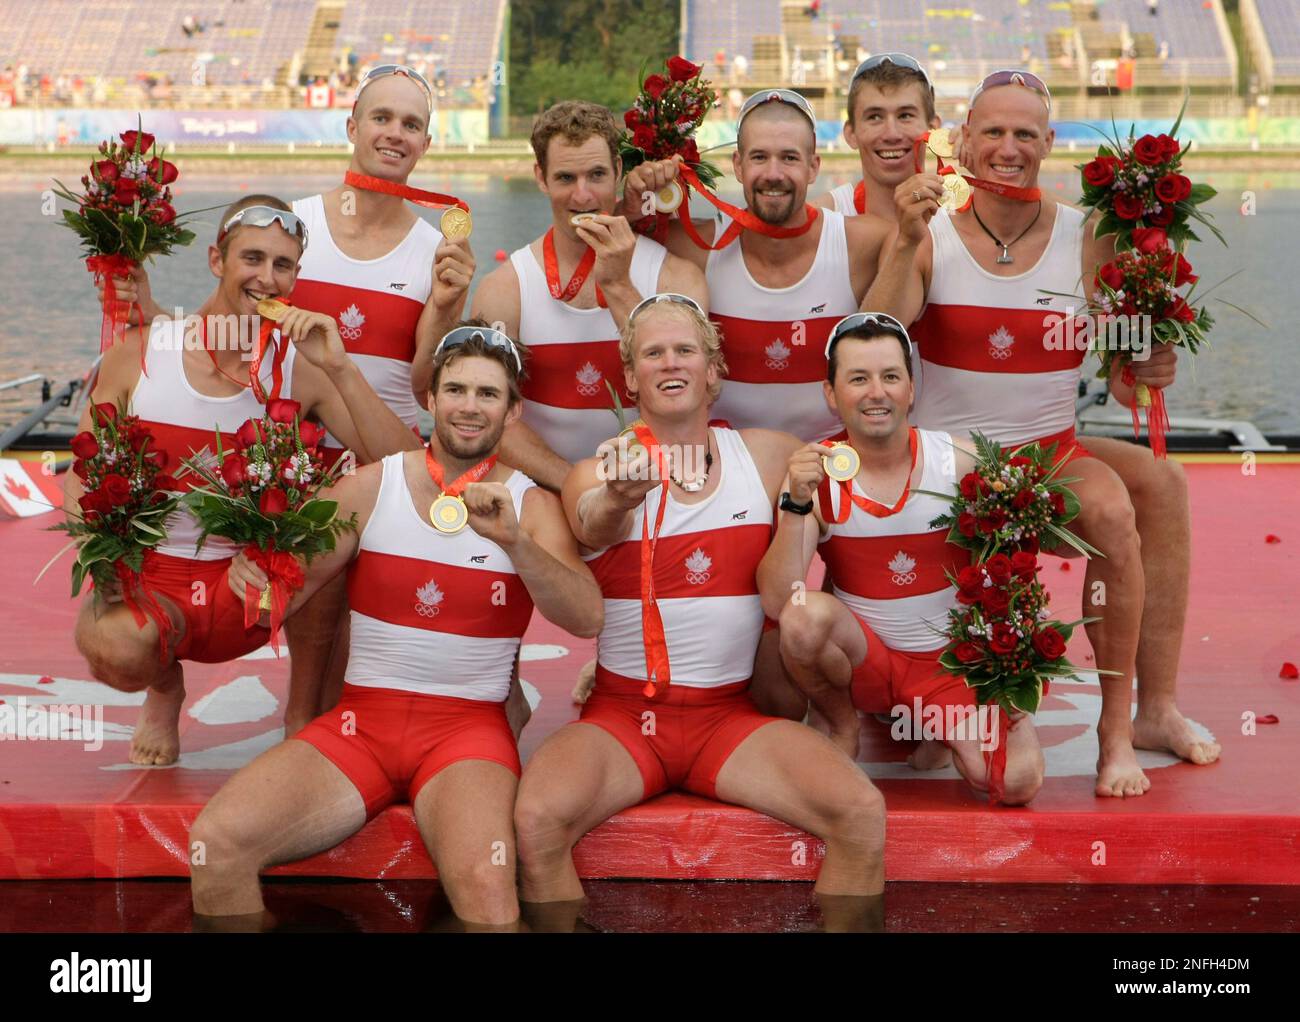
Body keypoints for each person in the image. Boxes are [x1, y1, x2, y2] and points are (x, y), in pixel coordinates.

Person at [866, 70, 1219, 796]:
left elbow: (1125, 383)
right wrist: (903, 242)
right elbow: (878, 336)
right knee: (958, 745)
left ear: (1049, 144)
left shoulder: (1088, 234)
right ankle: (931, 703)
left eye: (1025, 134)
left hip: (1051, 450)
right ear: (962, 140)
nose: (1008, 147)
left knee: (1126, 506)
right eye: (992, 131)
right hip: (948, 464)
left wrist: (1151, 361)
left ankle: (1124, 730)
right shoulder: (928, 230)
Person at [100, 65, 477, 736]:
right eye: (381, 117)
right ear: (351, 125)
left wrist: (447, 308)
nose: (394, 133)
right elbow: (224, 323)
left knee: (339, 662)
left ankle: (310, 723)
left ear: (426, 142)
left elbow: (426, 383)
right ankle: (191, 690)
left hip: (372, 446)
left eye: (411, 124)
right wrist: (150, 316)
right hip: (276, 444)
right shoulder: (292, 224)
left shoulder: (436, 250)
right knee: (304, 568)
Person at [190, 322, 604, 930]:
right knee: (216, 846)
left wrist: (518, 544)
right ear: (431, 399)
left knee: (489, 888)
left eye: (488, 394)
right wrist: (256, 574)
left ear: (513, 411)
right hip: (361, 726)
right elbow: (283, 597)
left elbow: (587, 615)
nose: (469, 406)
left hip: (467, 733)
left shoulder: (533, 506)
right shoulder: (367, 487)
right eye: (456, 389)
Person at [513, 295, 886, 926]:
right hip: (625, 717)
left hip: (726, 718)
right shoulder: (595, 470)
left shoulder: (769, 458)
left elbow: (824, 550)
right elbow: (592, 522)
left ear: (715, 371)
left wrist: (800, 505)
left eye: (685, 350)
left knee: (861, 814)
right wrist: (619, 497)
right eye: (652, 354)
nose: (669, 363)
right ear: (630, 377)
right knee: (536, 820)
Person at [66, 195, 424, 766]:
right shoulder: (142, 349)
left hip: (255, 591)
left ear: (297, 277)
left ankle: (301, 712)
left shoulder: (302, 366)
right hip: (151, 584)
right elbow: (83, 466)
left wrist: (341, 368)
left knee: (344, 507)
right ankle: (163, 686)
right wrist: (98, 549)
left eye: (283, 265)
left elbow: (414, 470)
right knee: (117, 652)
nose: (267, 277)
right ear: (216, 260)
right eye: (252, 258)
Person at [758, 313, 1044, 803]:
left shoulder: (961, 460)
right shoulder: (817, 473)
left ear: (912, 388)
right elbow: (777, 600)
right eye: (858, 379)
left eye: (891, 377)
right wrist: (795, 505)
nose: (876, 393)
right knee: (804, 618)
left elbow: (1016, 569)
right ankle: (842, 724)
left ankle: (938, 726)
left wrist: (1010, 678)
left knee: (1014, 783)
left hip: (953, 666)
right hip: (869, 665)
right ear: (830, 394)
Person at [620, 89, 893, 443]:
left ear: (813, 167)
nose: (773, 173)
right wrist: (631, 201)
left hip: (832, 467)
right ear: (738, 165)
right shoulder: (698, 247)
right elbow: (604, 240)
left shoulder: (863, 242)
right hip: (729, 475)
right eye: (759, 157)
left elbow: (936, 243)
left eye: (790, 158)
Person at [471, 100, 705, 493]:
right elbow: (491, 420)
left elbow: (693, 393)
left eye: (596, 174)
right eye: (565, 178)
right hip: (548, 495)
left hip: (657, 490)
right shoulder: (504, 289)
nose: (582, 196)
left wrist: (619, 286)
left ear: (618, 171)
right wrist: (583, 489)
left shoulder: (675, 277)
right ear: (540, 179)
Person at [815, 53, 943, 219]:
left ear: (933, 128)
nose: (892, 134)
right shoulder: (820, 222)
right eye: (874, 117)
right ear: (850, 133)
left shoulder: (964, 219)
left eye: (905, 116)